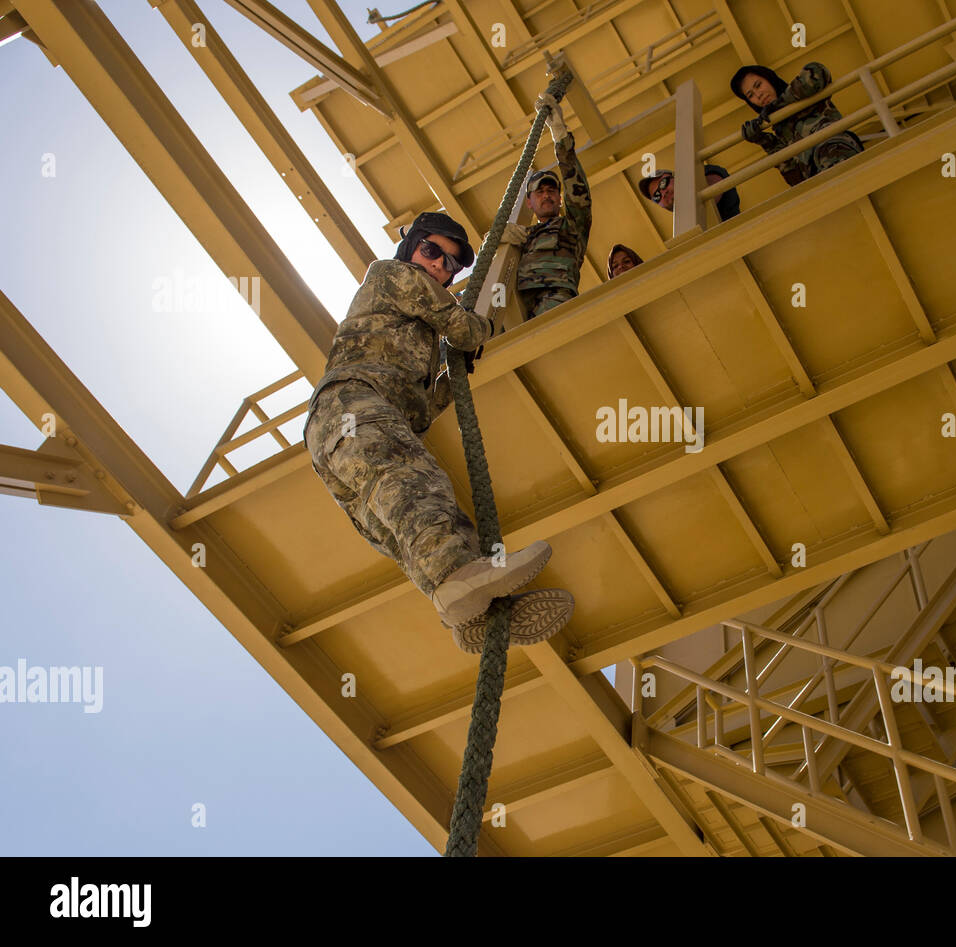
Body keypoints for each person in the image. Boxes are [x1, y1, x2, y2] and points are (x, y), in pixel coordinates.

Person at [303, 211, 574, 654]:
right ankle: (458, 578)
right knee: (416, 484)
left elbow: (421, 409)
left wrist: (449, 380)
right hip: (351, 405)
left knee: (397, 528)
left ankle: (465, 607)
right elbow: (466, 329)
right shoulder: (391, 275)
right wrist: (483, 324)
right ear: (411, 248)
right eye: (432, 251)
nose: (439, 267)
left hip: (337, 432)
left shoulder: (418, 337)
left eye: (451, 264)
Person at [500, 93, 592, 321]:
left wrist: (560, 135)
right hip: (519, 303)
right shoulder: (524, 236)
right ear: (529, 203)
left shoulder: (571, 226)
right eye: (539, 192)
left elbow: (577, 187)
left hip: (556, 298)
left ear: (560, 199)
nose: (546, 195)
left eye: (551, 191)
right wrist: (495, 236)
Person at [730, 62, 863, 186]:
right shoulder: (780, 129)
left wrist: (779, 104)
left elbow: (818, 71)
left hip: (836, 152)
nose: (758, 95)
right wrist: (764, 140)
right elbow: (794, 178)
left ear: (769, 79)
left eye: (758, 85)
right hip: (818, 179)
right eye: (750, 95)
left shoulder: (802, 93)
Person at [637, 166, 741, 222]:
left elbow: (712, 191)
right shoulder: (681, 226)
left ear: (676, 177)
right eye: (657, 196)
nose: (663, 193)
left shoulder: (703, 172)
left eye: (663, 183)